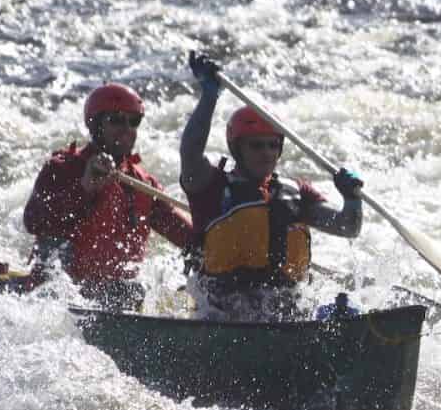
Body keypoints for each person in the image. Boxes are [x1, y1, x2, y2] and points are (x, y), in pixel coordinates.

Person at [179, 52, 364, 320]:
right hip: (222, 316)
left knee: (345, 311)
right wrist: (209, 97)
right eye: (255, 145)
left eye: (272, 145)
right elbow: (190, 153)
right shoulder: (212, 187)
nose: (266, 153)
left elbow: (348, 227)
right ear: (236, 148)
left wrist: (352, 199)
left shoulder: (296, 194)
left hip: (284, 314)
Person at [23, 83, 192, 310]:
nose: (126, 129)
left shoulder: (143, 184)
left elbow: (190, 238)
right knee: (127, 291)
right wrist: (84, 189)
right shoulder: (64, 167)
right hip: (61, 296)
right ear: (96, 125)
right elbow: (34, 221)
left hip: (114, 297)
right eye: (116, 120)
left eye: (133, 121)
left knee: (135, 290)